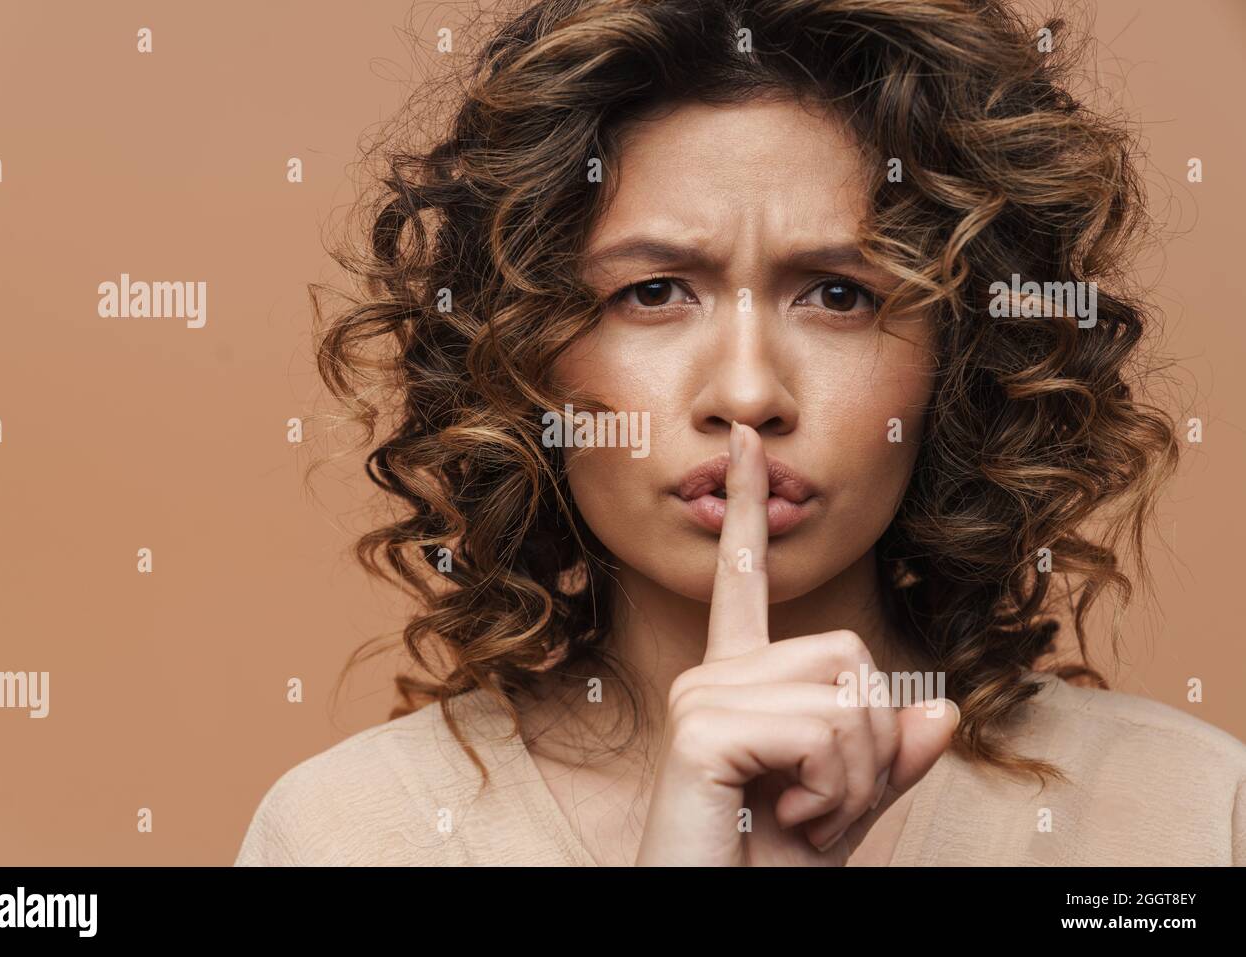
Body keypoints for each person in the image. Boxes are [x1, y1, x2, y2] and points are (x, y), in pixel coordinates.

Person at [235, 0, 1246, 866]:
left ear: (958, 355)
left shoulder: (1185, 818)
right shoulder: (348, 837)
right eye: (655, 292)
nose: (749, 392)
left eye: (840, 295)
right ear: (527, 353)